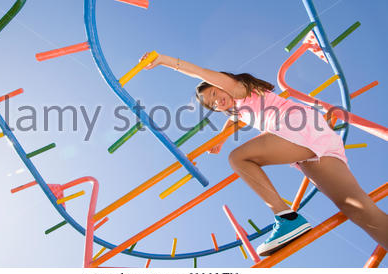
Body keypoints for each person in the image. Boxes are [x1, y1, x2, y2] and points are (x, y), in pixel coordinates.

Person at [140, 52, 388, 256]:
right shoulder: (242, 106)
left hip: (298, 128)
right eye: (211, 104)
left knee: (239, 158)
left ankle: (287, 218)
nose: (216, 102)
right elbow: (237, 120)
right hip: (312, 145)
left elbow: (200, 73)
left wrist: (165, 61)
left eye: (214, 93)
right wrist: (223, 139)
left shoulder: (239, 87)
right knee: (358, 210)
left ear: (223, 82)